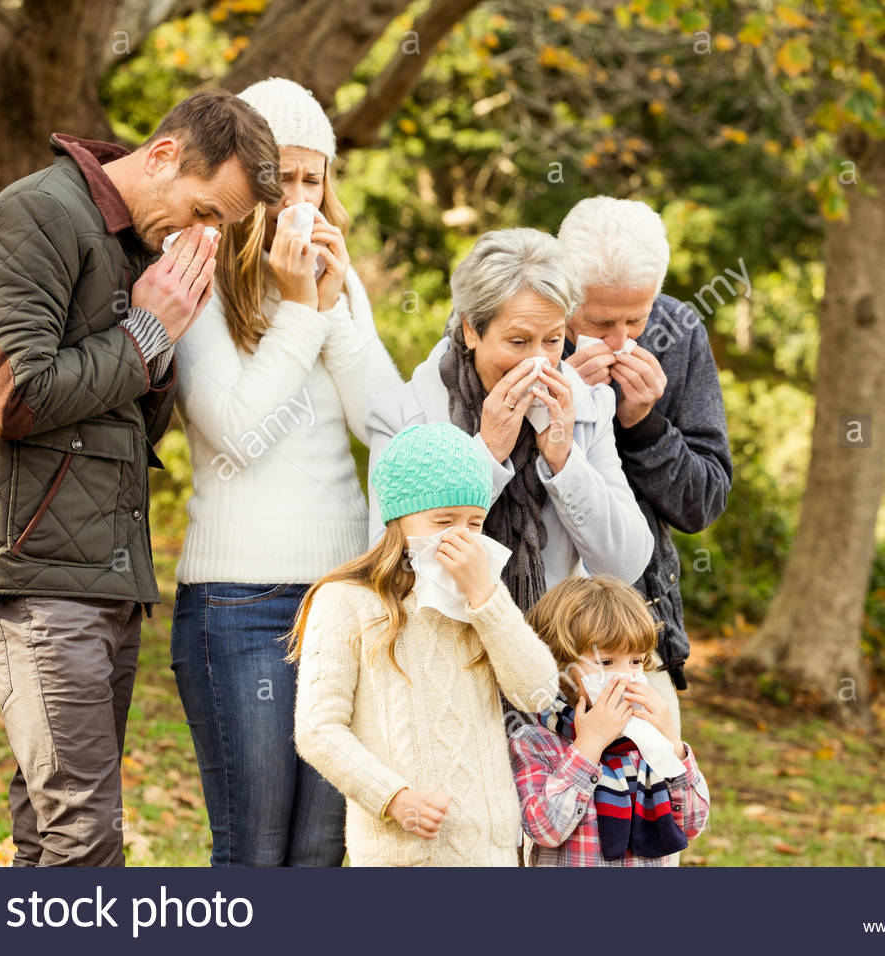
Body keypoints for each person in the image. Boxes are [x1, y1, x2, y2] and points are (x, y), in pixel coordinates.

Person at [0, 89, 282, 866]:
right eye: (207, 211)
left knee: (49, 831)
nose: (206, 237)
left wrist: (160, 339)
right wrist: (147, 330)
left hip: (103, 571)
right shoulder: (39, 215)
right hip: (31, 564)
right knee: (85, 833)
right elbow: (13, 396)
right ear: (162, 156)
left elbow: (131, 428)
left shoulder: (141, 248)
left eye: (222, 226)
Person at [168, 78, 402, 866]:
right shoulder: (192, 266)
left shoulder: (338, 283)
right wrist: (301, 311)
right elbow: (235, 433)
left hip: (341, 595)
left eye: (314, 179)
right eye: (283, 178)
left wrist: (332, 311)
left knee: (323, 855)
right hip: (239, 601)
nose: (299, 198)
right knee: (256, 854)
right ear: (249, 179)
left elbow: (389, 428)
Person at [290, 422, 559, 866]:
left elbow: (539, 692)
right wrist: (393, 797)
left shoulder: (481, 597)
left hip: (491, 856)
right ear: (399, 517)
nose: (460, 536)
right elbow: (318, 730)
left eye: (474, 523)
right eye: (443, 521)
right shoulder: (345, 600)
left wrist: (487, 599)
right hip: (402, 856)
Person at [365, 227, 653, 615]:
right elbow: (387, 571)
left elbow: (626, 564)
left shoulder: (587, 406)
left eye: (552, 341)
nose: (537, 363)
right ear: (471, 329)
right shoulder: (401, 415)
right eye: (518, 342)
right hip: (449, 655)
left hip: (552, 655)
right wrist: (485, 454)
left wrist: (564, 459)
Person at [558, 197, 733, 730]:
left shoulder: (678, 333)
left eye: (635, 320)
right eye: (599, 321)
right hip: (522, 622)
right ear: (562, 294)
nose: (617, 340)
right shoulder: (509, 321)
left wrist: (646, 428)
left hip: (634, 634)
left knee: (652, 801)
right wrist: (559, 394)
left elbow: (703, 503)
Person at [509, 575, 710, 866]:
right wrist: (589, 746)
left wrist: (672, 747)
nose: (626, 677)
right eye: (606, 662)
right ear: (559, 663)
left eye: (636, 661)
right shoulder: (535, 742)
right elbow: (544, 829)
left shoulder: (646, 742)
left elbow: (692, 824)